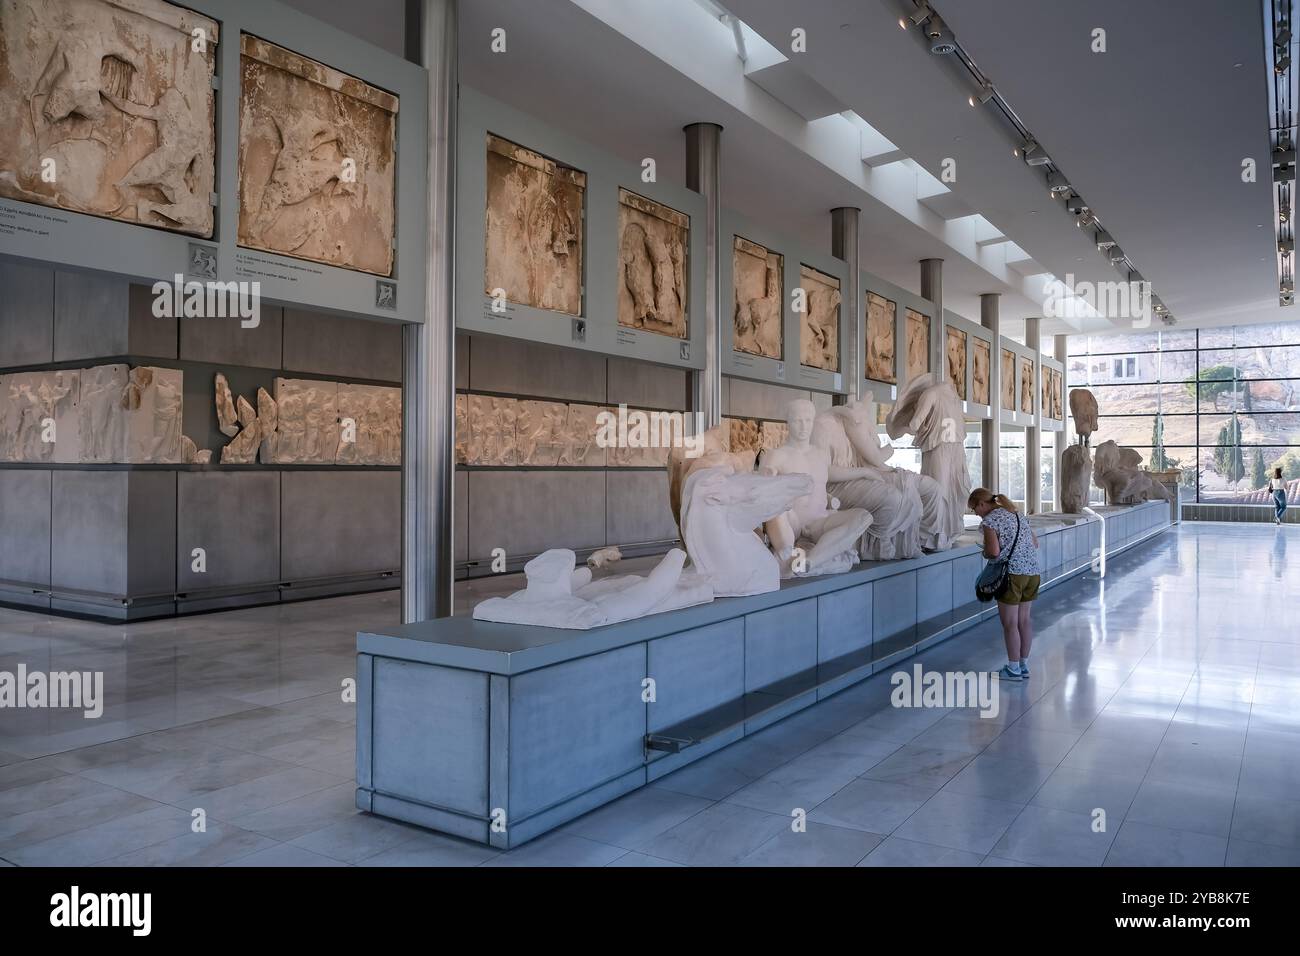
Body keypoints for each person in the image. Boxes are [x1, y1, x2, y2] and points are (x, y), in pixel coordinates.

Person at [968, 488, 1040, 682]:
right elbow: (1035, 543)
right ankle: (1023, 665)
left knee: (1010, 624)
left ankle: (1013, 668)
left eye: (975, 509)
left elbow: (993, 551)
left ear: (982, 504)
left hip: (1011, 576)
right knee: (1024, 621)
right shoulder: (1016, 514)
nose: (976, 514)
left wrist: (984, 552)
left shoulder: (990, 521)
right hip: (1032, 573)